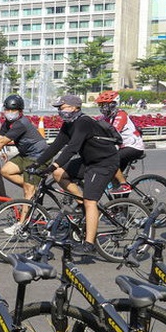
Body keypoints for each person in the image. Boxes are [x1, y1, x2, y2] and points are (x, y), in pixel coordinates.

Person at [31, 94, 121, 257]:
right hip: (88, 161)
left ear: (74, 108)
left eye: (62, 107)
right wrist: (37, 164)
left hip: (103, 163)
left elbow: (72, 148)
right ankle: (80, 201)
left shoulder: (83, 122)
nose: (59, 111)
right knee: (59, 174)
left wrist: (52, 166)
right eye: (58, 108)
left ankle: (89, 244)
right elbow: (56, 146)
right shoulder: (69, 124)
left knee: (91, 201)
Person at [0, 94, 47, 203]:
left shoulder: (21, 123)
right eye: (7, 109)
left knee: (28, 192)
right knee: (5, 171)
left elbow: (3, 142)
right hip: (25, 154)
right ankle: (34, 187)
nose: (9, 112)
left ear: (20, 111)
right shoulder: (8, 123)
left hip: (37, 154)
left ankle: (24, 219)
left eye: (13, 110)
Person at [95, 90, 143, 194]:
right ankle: (119, 206)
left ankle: (124, 185)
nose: (102, 108)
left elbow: (113, 131)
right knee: (111, 176)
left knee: (108, 160)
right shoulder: (104, 117)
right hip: (120, 148)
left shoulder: (121, 115)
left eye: (105, 105)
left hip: (133, 147)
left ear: (113, 104)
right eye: (101, 105)